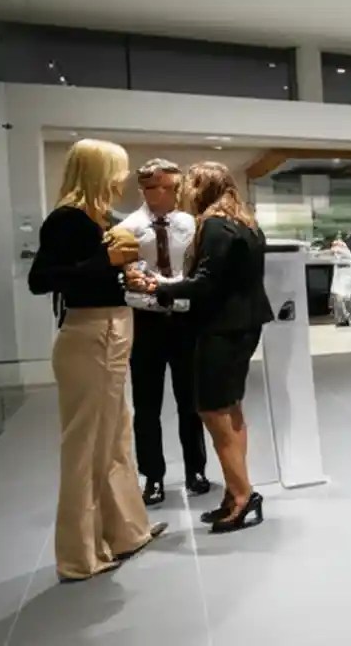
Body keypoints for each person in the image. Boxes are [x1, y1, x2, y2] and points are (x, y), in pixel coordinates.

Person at [27, 138, 166, 582]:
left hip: (112, 326)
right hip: (89, 333)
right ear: (97, 170)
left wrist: (125, 273)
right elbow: (41, 279)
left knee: (114, 437)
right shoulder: (66, 220)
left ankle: (126, 531)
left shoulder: (98, 217)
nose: (123, 178)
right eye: (118, 169)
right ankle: (79, 555)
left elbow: (96, 271)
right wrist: (102, 260)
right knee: (86, 444)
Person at [143, 162, 273, 533]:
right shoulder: (245, 221)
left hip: (222, 329)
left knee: (213, 412)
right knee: (230, 409)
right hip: (244, 327)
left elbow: (205, 284)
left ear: (202, 188)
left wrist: (160, 287)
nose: (183, 192)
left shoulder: (214, 224)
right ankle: (236, 493)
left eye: (188, 185)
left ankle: (244, 496)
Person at [117, 159, 209, 506]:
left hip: (183, 319)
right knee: (146, 404)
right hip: (145, 321)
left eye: (168, 187)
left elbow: (197, 269)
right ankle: (152, 476)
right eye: (152, 187)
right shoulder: (129, 226)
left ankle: (195, 469)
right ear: (142, 188)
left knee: (191, 400)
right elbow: (123, 274)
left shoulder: (190, 224)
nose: (160, 194)